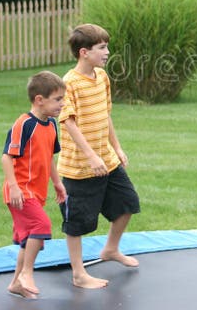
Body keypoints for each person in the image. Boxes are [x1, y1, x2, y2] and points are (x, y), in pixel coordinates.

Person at [58, 23, 141, 289]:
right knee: (77, 222)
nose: (107, 52)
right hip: (80, 167)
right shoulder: (69, 83)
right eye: (102, 47)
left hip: (107, 159)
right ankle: (78, 274)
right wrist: (91, 156)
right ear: (84, 52)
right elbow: (68, 122)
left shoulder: (102, 77)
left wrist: (116, 147)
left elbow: (105, 115)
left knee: (128, 203)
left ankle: (111, 249)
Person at [1, 70, 68, 299]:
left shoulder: (51, 125)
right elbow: (7, 157)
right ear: (39, 99)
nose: (62, 104)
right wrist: (13, 187)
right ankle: (27, 273)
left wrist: (57, 183)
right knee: (42, 226)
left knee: (30, 241)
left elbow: (48, 157)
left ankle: (15, 283)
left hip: (36, 192)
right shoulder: (24, 124)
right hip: (20, 190)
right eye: (57, 99)